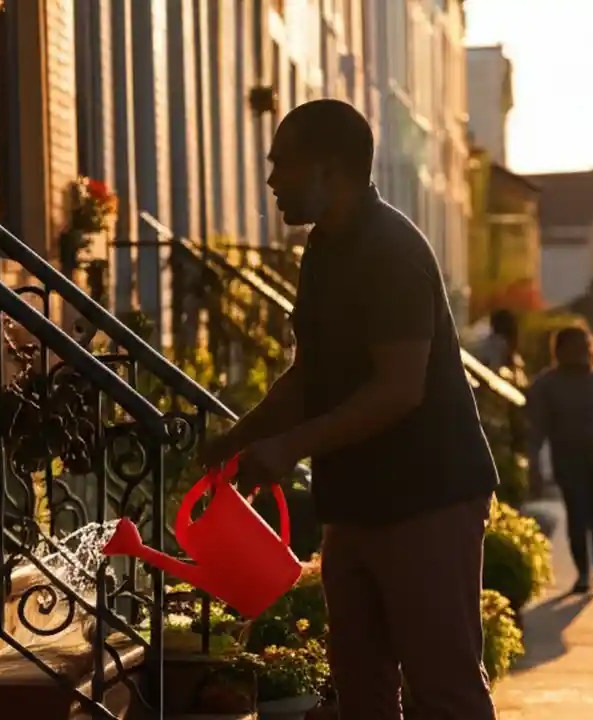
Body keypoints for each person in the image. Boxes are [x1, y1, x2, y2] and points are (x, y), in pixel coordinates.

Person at [199, 99, 499, 719]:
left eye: (283, 163)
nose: (271, 180)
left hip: (429, 497)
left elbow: (399, 389)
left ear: (330, 170)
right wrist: (244, 434)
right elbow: (312, 373)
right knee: (360, 688)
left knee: (442, 687)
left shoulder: (391, 251)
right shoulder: (324, 251)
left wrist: (287, 447)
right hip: (358, 499)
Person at [525, 325, 593, 594]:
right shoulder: (546, 385)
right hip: (568, 461)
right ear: (559, 352)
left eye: (585, 348)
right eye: (575, 348)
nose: (582, 354)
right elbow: (535, 428)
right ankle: (583, 573)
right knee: (577, 515)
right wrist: (534, 464)